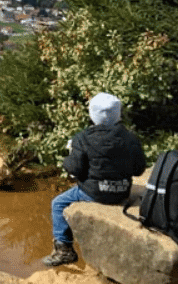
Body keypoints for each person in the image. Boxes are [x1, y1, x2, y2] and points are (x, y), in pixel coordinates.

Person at [43, 92, 146, 267]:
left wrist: (70, 153)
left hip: (93, 193)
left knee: (57, 203)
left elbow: (75, 169)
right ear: (118, 114)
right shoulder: (131, 138)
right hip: (122, 192)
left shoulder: (82, 138)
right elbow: (139, 169)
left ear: (92, 114)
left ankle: (64, 250)